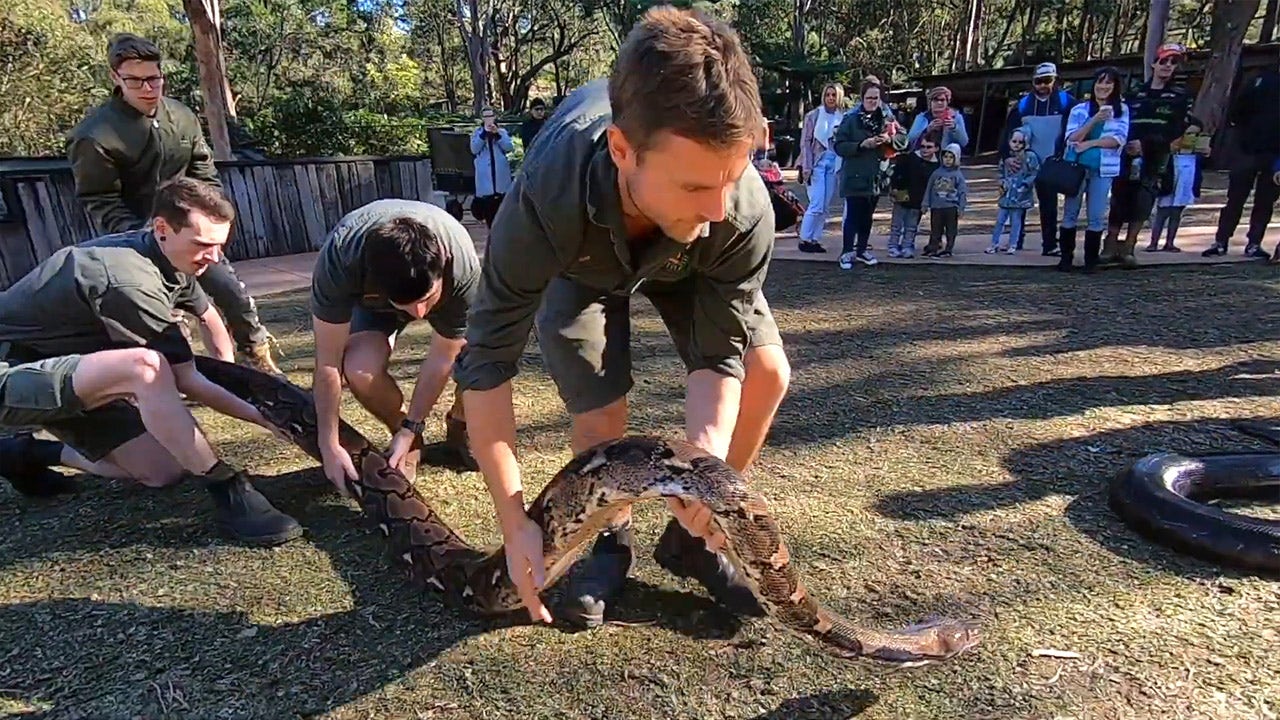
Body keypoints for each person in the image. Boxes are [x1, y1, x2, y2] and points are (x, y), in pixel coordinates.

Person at [452, 6, 792, 629]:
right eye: (694, 186)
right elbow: (486, 366)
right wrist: (513, 519)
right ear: (621, 149)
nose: (718, 208)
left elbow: (720, 356)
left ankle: (695, 535)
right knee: (599, 416)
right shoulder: (541, 203)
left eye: (730, 178)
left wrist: (706, 470)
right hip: (582, 263)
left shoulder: (736, 210)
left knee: (768, 373)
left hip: (690, 267)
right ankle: (612, 544)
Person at [0, 178, 302, 546]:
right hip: (11, 370)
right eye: (204, 244)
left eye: (220, 245)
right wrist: (265, 417)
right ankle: (226, 487)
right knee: (146, 367)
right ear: (162, 228)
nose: (215, 257)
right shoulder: (129, 281)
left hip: (65, 366)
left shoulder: (173, 258)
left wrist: (228, 369)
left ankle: (25, 453)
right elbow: (186, 379)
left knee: (162, 470)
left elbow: (208, 316)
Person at [65, 32, 283, 376]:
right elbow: (99, 199)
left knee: (231, 293)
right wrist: (141, 236)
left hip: (190, 229)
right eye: (135, 81)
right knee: (165, 314)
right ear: (115, 77)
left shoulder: (181, 117)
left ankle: (255, 359)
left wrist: (210, 217)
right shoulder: (94, 135)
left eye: (154, 78)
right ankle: (178, 375)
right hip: (139, 240)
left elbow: (203, 171)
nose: (148, 88)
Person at [309, 199, 480, 490]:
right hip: (373, 305)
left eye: (426, 299)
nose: (419, 314)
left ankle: (461, 421)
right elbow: (327, 363)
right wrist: (328, 441)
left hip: (448, 288)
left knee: (477, 358)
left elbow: (442, 357)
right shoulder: (340, 261)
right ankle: (400, 431)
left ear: (442, 260)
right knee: (359, 370)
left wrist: (416, 423)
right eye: (406, 305)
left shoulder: (461, 265)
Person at [1100, 42, 1205, 268]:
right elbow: (1122, 121)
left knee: (1144, 198)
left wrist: (1146, 145)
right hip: (1127, 153)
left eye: (1173, 62)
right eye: (1164, 61)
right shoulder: (1134, 93)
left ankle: (1129, 245)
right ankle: (1110, 243)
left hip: (1156, 155)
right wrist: (1128, 143)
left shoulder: (1180, 96)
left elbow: (1178, 128)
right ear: (1154, 64)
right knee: (1119, 196)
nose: (1168, 66)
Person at [1055, 66, 1130, 273]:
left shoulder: (1121, 110)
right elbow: (1071, 138)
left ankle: (1091, 260)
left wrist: (1090, 144)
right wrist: (1093, 120)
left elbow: (1117, 140)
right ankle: (1066, 257)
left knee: (1096, 215)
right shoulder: (1079, 110)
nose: (1103, 87)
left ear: (1115, 86)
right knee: (1070, 213)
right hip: (1076, 168)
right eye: (1100, 82)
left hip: (1103, 169)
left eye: (1108, 83)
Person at [1204, 61, 1279, 260]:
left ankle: (1254, 243)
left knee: (1265, 201)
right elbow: (1237, 110)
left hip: (1274, 155)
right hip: (1246, 150)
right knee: (1235, 198)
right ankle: (1221, 241)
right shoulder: (1259, 79)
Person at [1000, 62, 1075, 255]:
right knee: (1017, 202)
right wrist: (1007, 156)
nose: (1043, 86)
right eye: (1039, 81)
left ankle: (1049, 244)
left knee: (1049, 205)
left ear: (1055, 80)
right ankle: (1016, 241)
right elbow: (1008, 132)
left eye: (1047, 81)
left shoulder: (1068, 102)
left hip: (1052, 161)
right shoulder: (1023, 105)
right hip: (1025, 161)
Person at [833, 80, 898, 268]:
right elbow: (839, 145)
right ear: (862, 98)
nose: (872, 101)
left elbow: (903, 139)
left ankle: (862, 249)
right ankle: (847, 252)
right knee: (853, 214)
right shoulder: (851, 119)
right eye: (869, 98)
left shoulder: (886, 117)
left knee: (867, 216)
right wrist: (861, 145)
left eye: (875, 98)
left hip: (876, 177)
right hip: (855, 175)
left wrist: (890, 138)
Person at [796, 82, 846, 254]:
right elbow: (806, 143)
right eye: (828, 95)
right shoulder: (814, 115)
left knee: (825, 205)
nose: (831, 98)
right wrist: (806, 166)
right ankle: (804, 238)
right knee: (816, 202)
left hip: (834, 162)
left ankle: (815, 239)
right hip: (817, 163)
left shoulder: (843, 117)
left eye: (834, 95)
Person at [987, 125, 1042, 255]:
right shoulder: (1007, 158)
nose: (1017, 145)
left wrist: (1025, 185)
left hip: (1020, 196)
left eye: (1020, 142)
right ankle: (994, 243)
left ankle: (1013, 244)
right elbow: (1001, 171)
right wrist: (1001, 183)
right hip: (1006, 195)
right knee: (1000, 220)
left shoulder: (1030, 156)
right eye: (1014, 141)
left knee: (1016, 222)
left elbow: (1034, 172)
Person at [885, 134, 940, 259]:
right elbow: (897, 173)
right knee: (896, 224)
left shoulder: (936, 165)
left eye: (929, 147)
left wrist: (927, 202)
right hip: (902, 193)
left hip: (919, 199)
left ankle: (907, 246)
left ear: (936, 149)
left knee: (911, 226)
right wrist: (894, 188)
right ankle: (893, 246)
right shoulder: (910, 158)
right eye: (923, 146)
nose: (925, 150)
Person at [469, 106, 515, 228]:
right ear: (482, 118)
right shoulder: (477, 133)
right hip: (486, 176)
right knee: (489, 212)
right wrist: (484, 134)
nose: (489, 119)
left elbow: (509, 147)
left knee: (502, 210)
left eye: (491, 116)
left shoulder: (502, 132)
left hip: (500, 174)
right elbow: (474, 149)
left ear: (495, 117)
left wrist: (497, 135)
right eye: (486, 116)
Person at [920, 143, 968, 258]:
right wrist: (925, 203)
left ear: (956, 159)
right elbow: (929, 188)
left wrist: (961, 208)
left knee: (951, 229)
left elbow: (962, 192)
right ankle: (933, 247)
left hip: (951, 207)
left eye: (951, 157)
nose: (947, 160)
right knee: (935, 229)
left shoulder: (957, 175)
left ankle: (948, 248)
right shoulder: (936, 173)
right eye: (945, 157)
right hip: (936, 207)